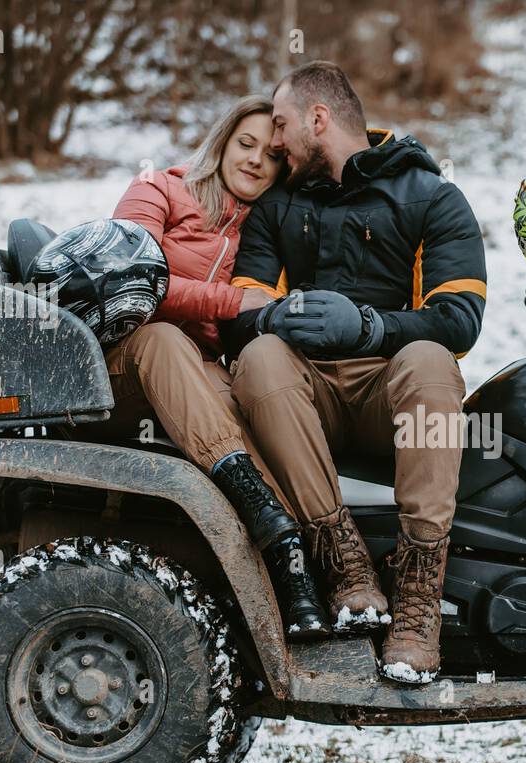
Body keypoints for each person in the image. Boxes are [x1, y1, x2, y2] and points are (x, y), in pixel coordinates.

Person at [223, 61, 487, 684]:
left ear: (320, 120)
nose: (276, 142)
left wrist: (369, 326)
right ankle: (346, 564)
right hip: (302, 400)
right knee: (259, 357)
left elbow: (459, 319)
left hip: (389, 397)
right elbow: (238, 318)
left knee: (430, 360)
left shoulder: (431, 196)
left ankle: (419, 601)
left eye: (283, 125)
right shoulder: (277, 207)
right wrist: (279, 318)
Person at [88, 94, 329, 639]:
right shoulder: (160, 188)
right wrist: (230, 303)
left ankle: (293, 563)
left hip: (191, 378)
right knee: (163, 340)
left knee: (243, 395)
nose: (254, 161)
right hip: (116, 367)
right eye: (244, 144)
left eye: (271, 155)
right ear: (221, 142)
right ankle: (250, 495)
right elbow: (128, 278)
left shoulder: (261, 234)